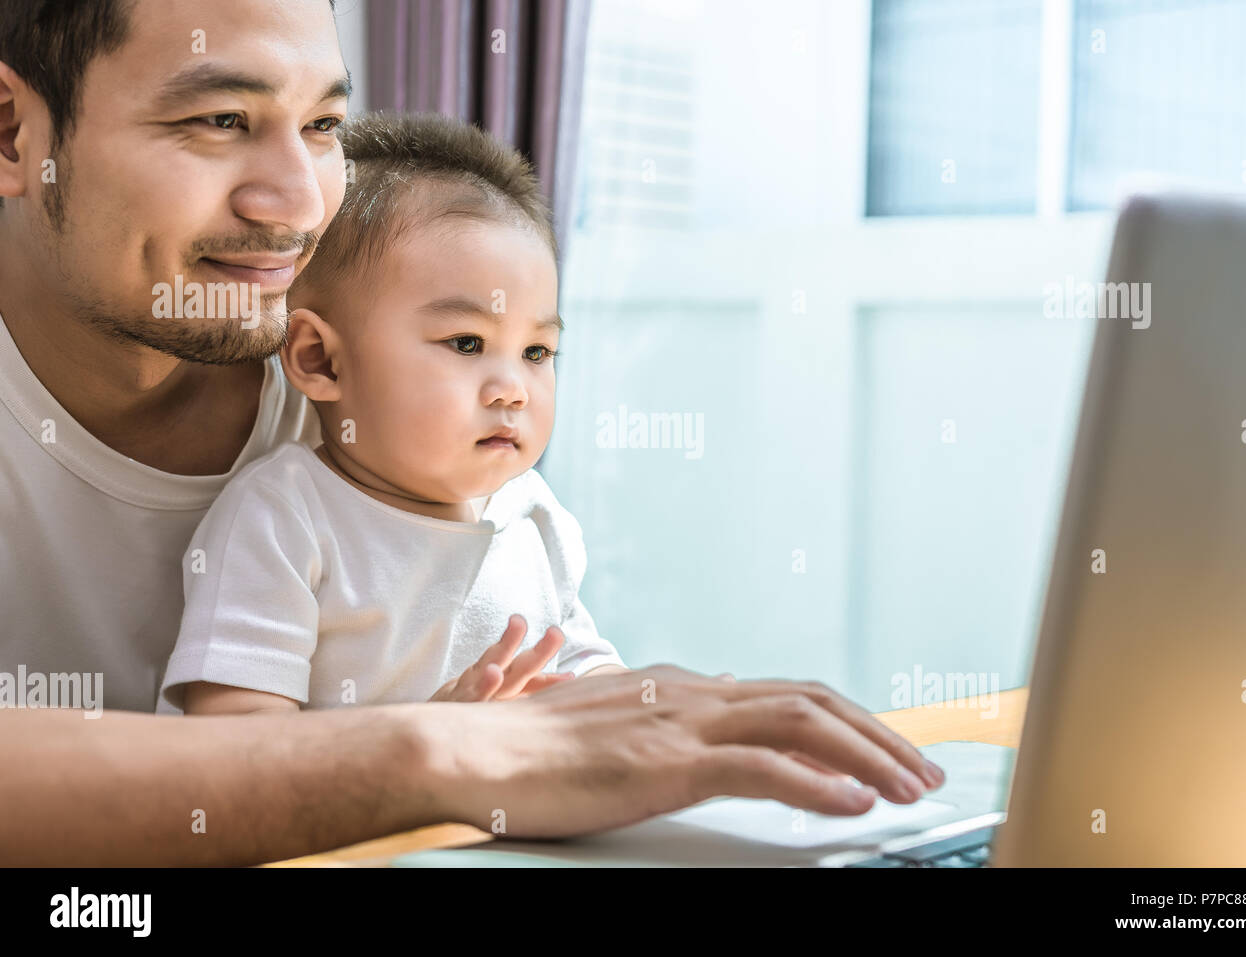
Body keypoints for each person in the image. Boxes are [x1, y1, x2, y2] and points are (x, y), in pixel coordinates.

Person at [0, 0, 943, 866]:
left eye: (324, 125)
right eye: (218, 121)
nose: (298, 206)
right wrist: (433, 750)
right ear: (14, 133)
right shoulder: (311, 452)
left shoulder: (378, 384)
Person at [157, 112, 630, 716]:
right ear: (322, 361)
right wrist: (427, 740)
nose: (513, 389)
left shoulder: (536, 515)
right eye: (466, 343)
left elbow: (579, 664)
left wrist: (650, 703)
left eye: (537, 351)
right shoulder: (285, 518)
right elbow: (237, 737)